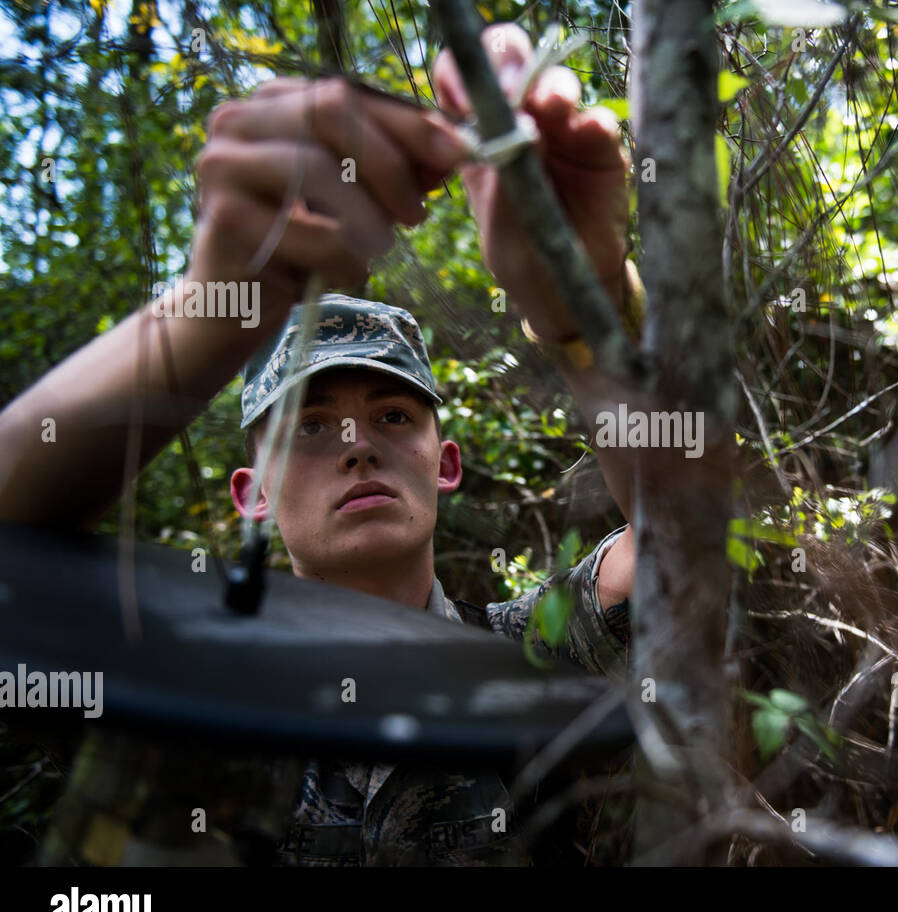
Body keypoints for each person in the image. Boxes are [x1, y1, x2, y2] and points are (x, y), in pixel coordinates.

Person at [0, 23, 642, 865]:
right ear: (251, 492)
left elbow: (687, 537)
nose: (357, 448)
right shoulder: (183, 672)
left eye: (394, 416)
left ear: (444, 464)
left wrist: (586, 309)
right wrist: (209, 308)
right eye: (309, 426)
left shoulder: (529, 654)